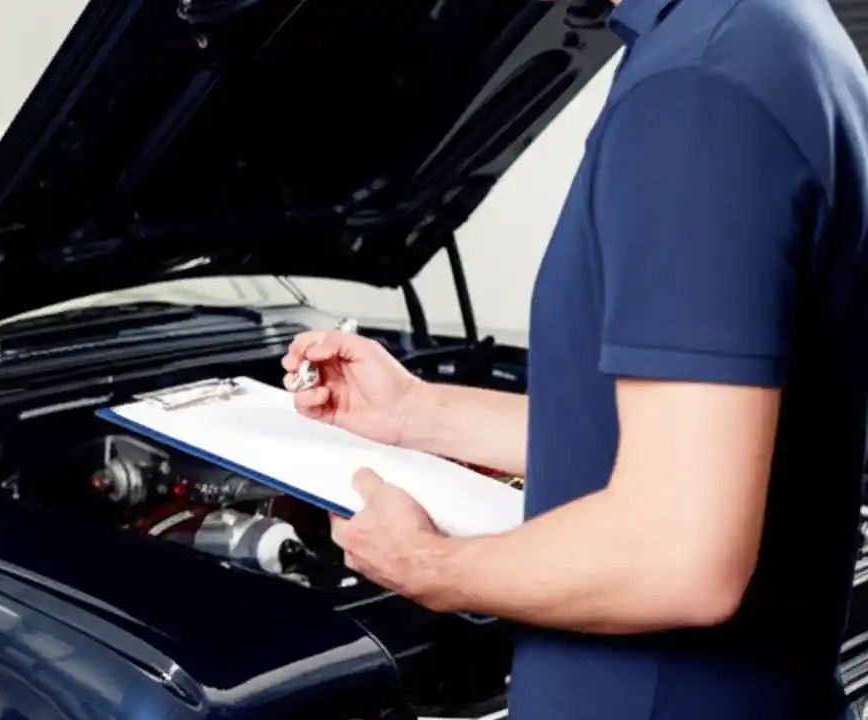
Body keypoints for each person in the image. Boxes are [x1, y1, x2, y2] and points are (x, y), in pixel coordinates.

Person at [281, 0, 868, 718]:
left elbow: (676, 554)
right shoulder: (763, 35)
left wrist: (426, 565)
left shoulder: (697, 88)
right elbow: (666, 441)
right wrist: (416, 411)